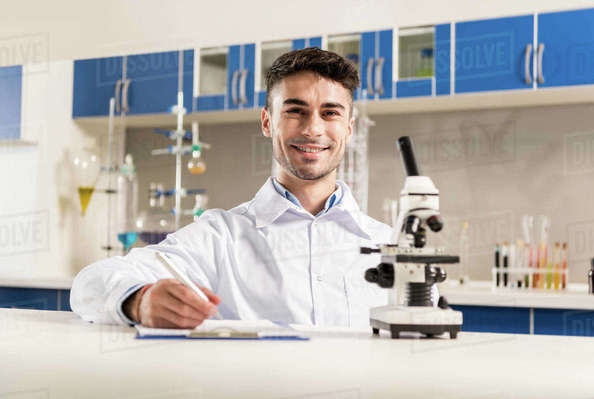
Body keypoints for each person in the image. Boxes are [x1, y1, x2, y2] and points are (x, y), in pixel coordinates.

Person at [70, 47, 392, 329]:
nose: (312, 129)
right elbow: (90, 284)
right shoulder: (220, 237)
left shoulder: (390, 244)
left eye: (330, 113)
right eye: (295, 111)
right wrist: (139, 301)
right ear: (267, 122)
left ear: (348, 129)